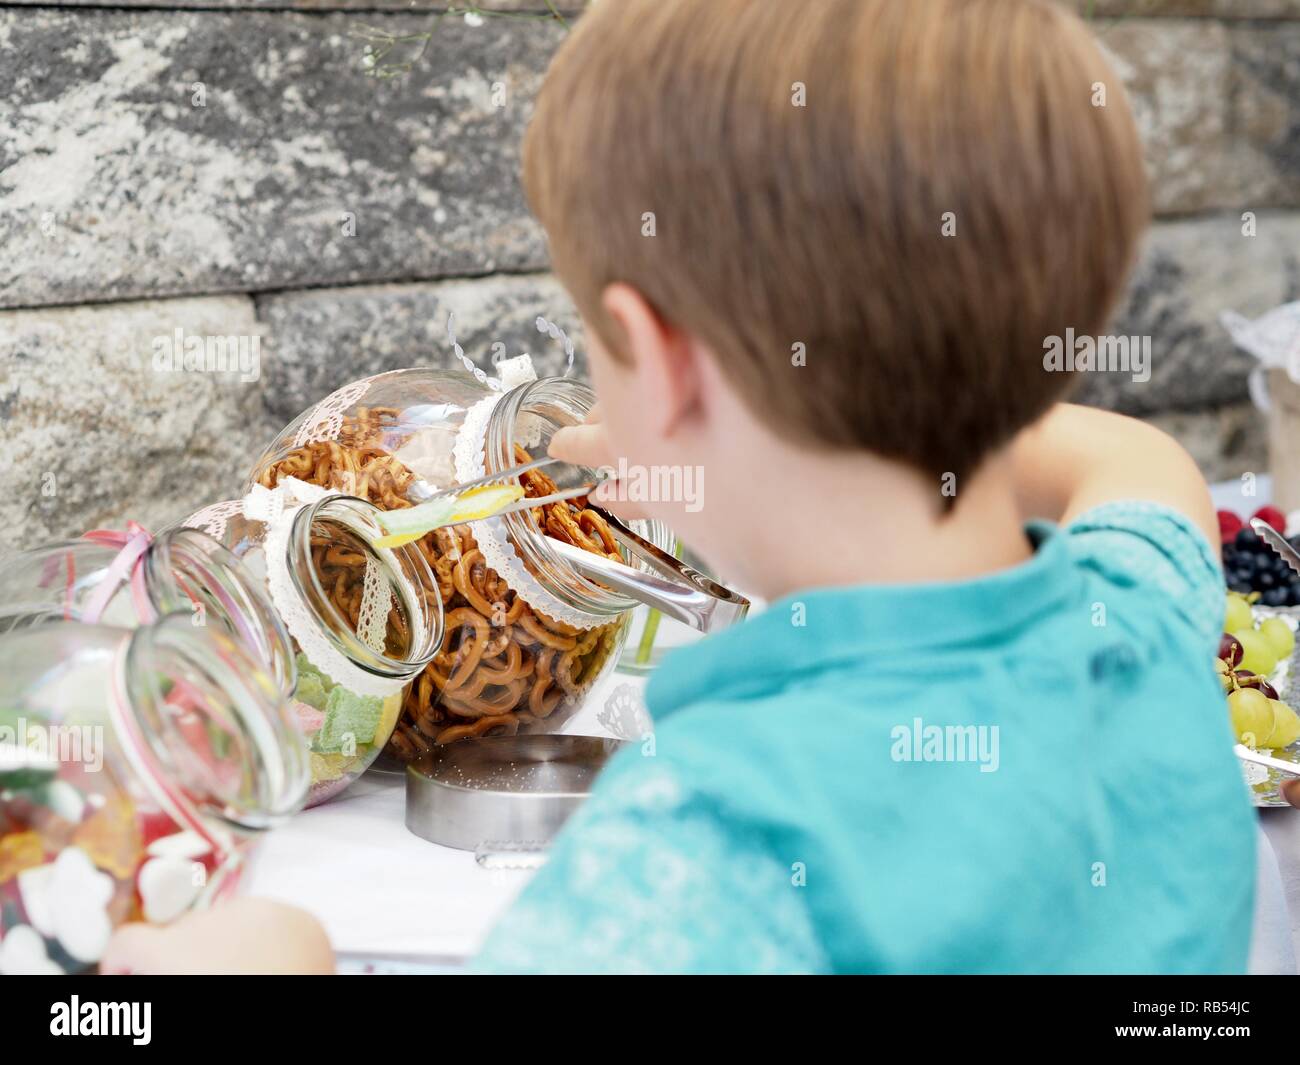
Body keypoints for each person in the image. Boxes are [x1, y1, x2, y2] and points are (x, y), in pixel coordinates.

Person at [102, 0, 1256, 975]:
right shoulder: (1143, 619)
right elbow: (1134, 461)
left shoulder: (693, 858)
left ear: (653, 361)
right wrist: (937, 379)